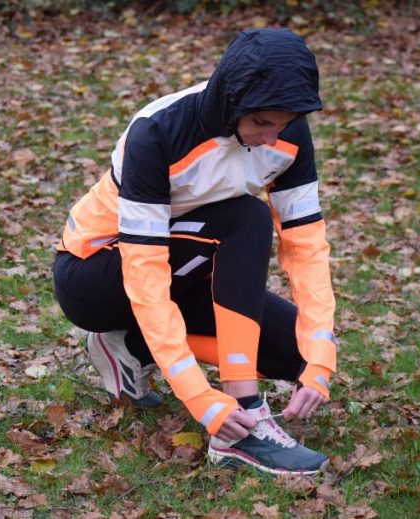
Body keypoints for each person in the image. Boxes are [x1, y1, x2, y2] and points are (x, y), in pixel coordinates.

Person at [53, 28, 336, 476]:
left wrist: (322, 356)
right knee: (247, 216)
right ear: (233, 102)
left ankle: (130, 345)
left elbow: (306, 246)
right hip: (96, 273)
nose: (272, 137)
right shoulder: (158, 131)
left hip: (189, 271)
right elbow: (144, 271)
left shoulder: (288, 134)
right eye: (263, 122)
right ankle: (244, 418)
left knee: (298, 356)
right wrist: (201, 397)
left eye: (282, 125)